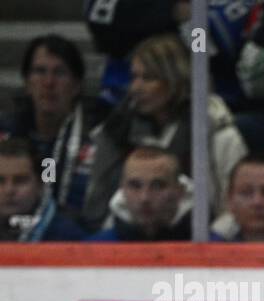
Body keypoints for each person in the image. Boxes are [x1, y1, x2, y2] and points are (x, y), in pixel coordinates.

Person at [81, 33, 249, 232]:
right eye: (134, 77)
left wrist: (209, 244)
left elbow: (235, 209)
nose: (136, 87)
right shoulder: (115, 131)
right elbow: (99, 201)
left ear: (175, 79)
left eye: (148, 78)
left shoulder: (219, 133)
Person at [0, 35, 107, 223]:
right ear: (26, 83)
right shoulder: (6, 132)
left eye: (59, 73)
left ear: (76, 86)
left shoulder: (102, 134)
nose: (49, 83)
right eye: (40, 71)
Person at [88, 146, 194, 241]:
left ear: (180, 191)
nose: (144, 198)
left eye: (157, 186)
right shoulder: (91, 251)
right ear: (122, 189)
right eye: (135, 186)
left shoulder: (209, 248)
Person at [0, 138, 86, 241]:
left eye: (20, 181)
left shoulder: (69, 235)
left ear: (40, 185)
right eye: (0, 181)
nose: (9, 190)